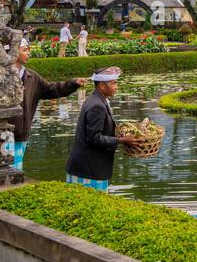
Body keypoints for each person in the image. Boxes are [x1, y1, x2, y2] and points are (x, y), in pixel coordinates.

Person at [9, 39, 85, 171]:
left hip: (21, 134)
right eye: (25, 50)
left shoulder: (32, 77)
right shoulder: (0, 75)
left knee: (16, 170)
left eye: (29, 49)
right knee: (3, 171)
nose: (28, 53)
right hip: (3, 133)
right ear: (14, 52)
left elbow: (52, 89)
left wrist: (73, 84)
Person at [65, 67, 137, 191]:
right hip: (88, 170)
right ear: (102, 86)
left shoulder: (96, 100)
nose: (116, 87)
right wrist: (121, 140)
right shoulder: (97, 106)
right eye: (114, 83)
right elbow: (94, 138)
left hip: (88, 167)